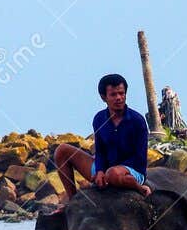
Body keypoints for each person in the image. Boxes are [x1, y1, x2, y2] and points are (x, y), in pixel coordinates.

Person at [52, 73, 151, 202]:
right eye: (113, 95)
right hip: (105, 167)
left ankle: (140, 188)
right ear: (104, 97)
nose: (119, 98)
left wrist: (114, 171)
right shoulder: (99, 119)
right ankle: (72, 202)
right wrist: (99, 171)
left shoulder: (137, 120)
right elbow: (100, 151)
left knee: (113, 174)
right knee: (62, 150)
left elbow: (140, 159)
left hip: (131, 170)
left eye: (122, 93)